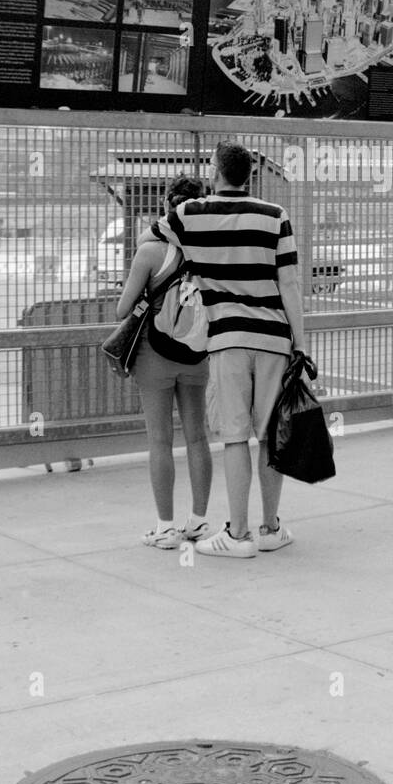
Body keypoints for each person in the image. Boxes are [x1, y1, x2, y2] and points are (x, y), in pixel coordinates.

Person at [150, 141, 305, 558]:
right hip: (275, 338)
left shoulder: (188, 214)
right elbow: (289, 285)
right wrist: (300, 345)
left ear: (215, 170)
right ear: (251, 175)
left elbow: (155, 239)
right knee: (271, 435)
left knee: (235, 437)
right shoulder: (276, 216)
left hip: (228, 341)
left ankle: (237, 536)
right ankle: (270, 529)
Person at [115, 176, 212, 549]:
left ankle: (165, 529)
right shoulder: (209, 252)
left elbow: (124, 308)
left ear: (165, 206)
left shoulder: (150, 251)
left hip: (154, 356)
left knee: (160, 440)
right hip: (197, 353)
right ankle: (199, 523)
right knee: (198, 436)